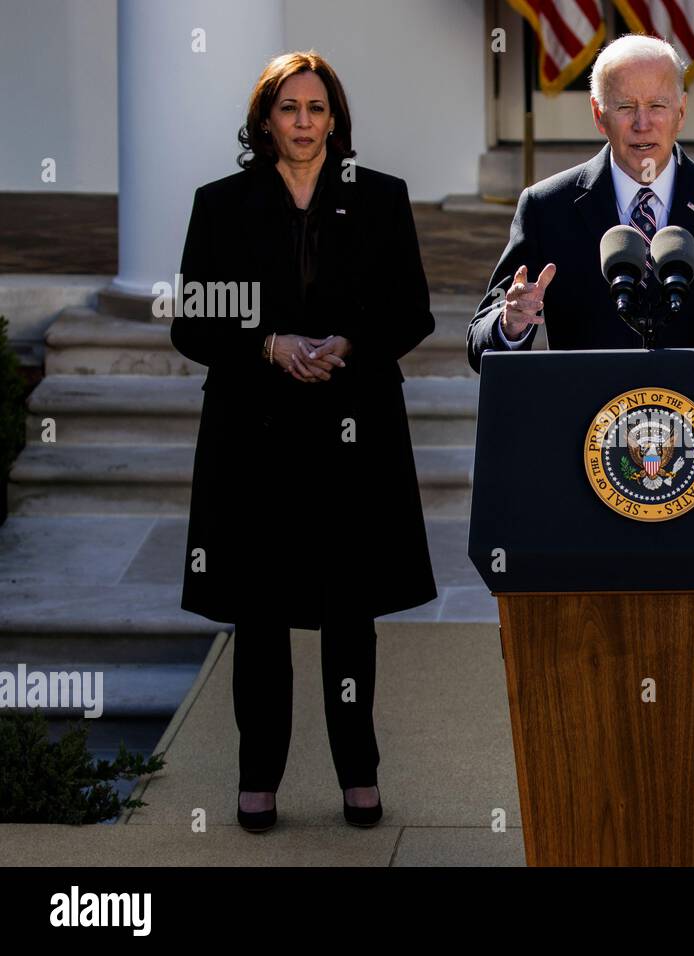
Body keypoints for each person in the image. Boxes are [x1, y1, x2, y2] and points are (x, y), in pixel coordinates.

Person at [170, 51, 437, 833]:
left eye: (317, 109)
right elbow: (193, 319)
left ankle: (360, 773)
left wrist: (348, 343)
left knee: (350, 610)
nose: (304, 123)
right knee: (259, 614)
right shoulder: (221, 205)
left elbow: (412, 311)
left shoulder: (380, 199)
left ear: (335, 119)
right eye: (289, 108)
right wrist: (269, 344)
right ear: (264, 120)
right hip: (254, 436)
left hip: (354, 432)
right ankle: (258, 779)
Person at [466, 34, 694, 373]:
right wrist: (510, 324)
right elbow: (480, 341)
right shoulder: (547, 207)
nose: (643, 123)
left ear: (681, 112)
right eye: (625, 106)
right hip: (587, 423)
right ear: (598, 114)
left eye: (657, 105)